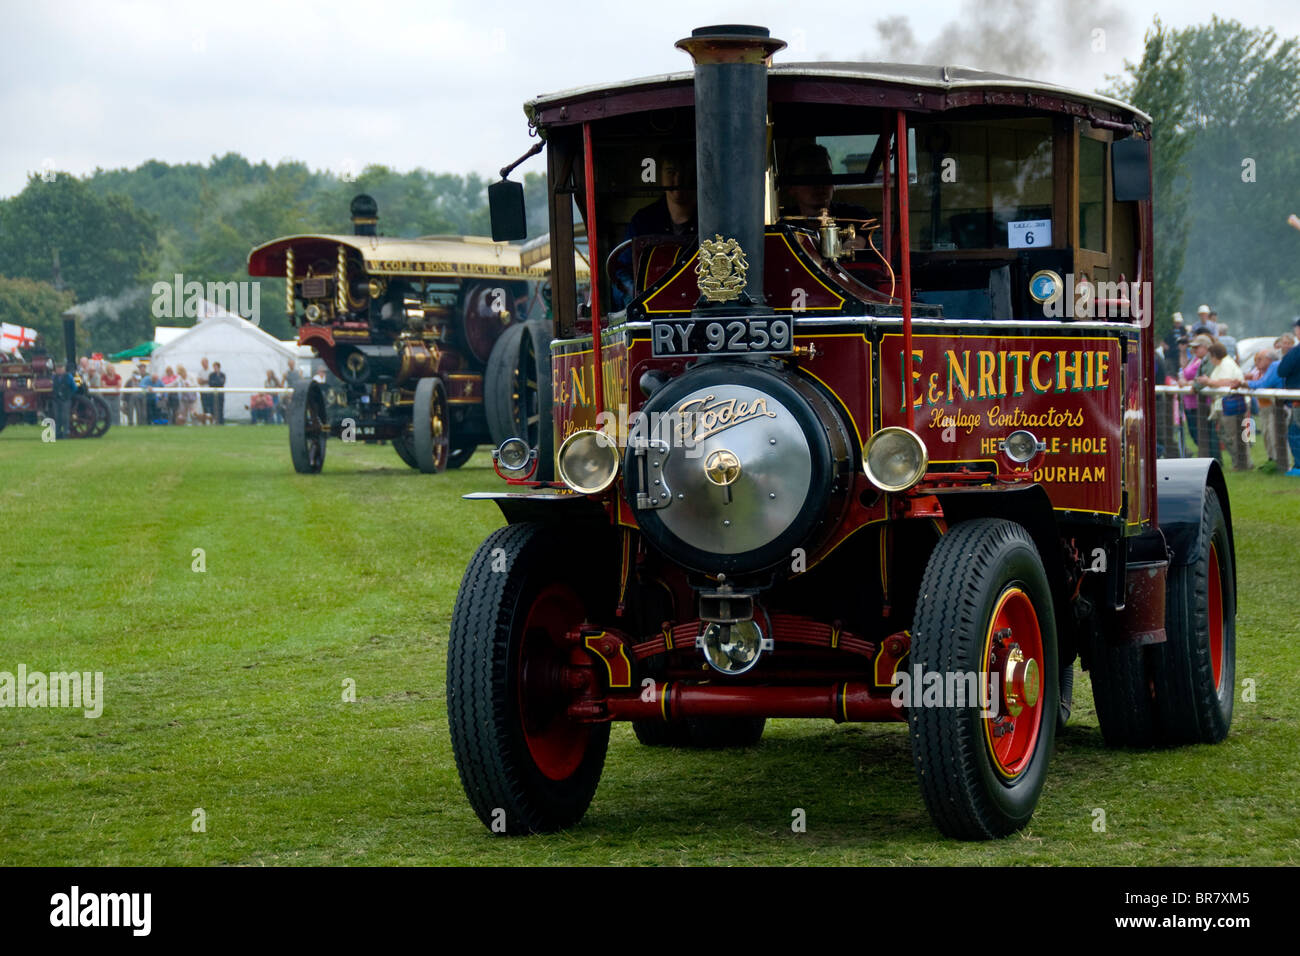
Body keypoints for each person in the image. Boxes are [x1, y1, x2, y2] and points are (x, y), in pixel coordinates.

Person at [611, 148, 698, 310]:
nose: (678, 179)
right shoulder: (643, 222)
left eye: (686, 171)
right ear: (660, 177)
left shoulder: (711, 220)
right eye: (671, 172)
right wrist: (639, 302)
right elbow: (621, 271)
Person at [1195, 342, 1246, 470]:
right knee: (1227, 435)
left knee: (1233, 435)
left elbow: (1229, 382)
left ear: (1214, 355)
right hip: (1223, 404)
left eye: (1210, 356)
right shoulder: (1221, 364)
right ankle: (1238, 462)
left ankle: (1241, 463)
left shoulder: (1226, 364)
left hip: (1231, 404)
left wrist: (1209, 381)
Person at [51, 361, 75, 438]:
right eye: (58, 368)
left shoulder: (69, 376)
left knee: (65, 416)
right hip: (56, 399)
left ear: (64, 369)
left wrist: (69, 395)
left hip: (65, 399)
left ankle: (66, 433)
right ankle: (57, 433)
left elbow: (74, 387)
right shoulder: (53, 377)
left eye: (61, 368)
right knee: (57, 416)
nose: (59, 370)